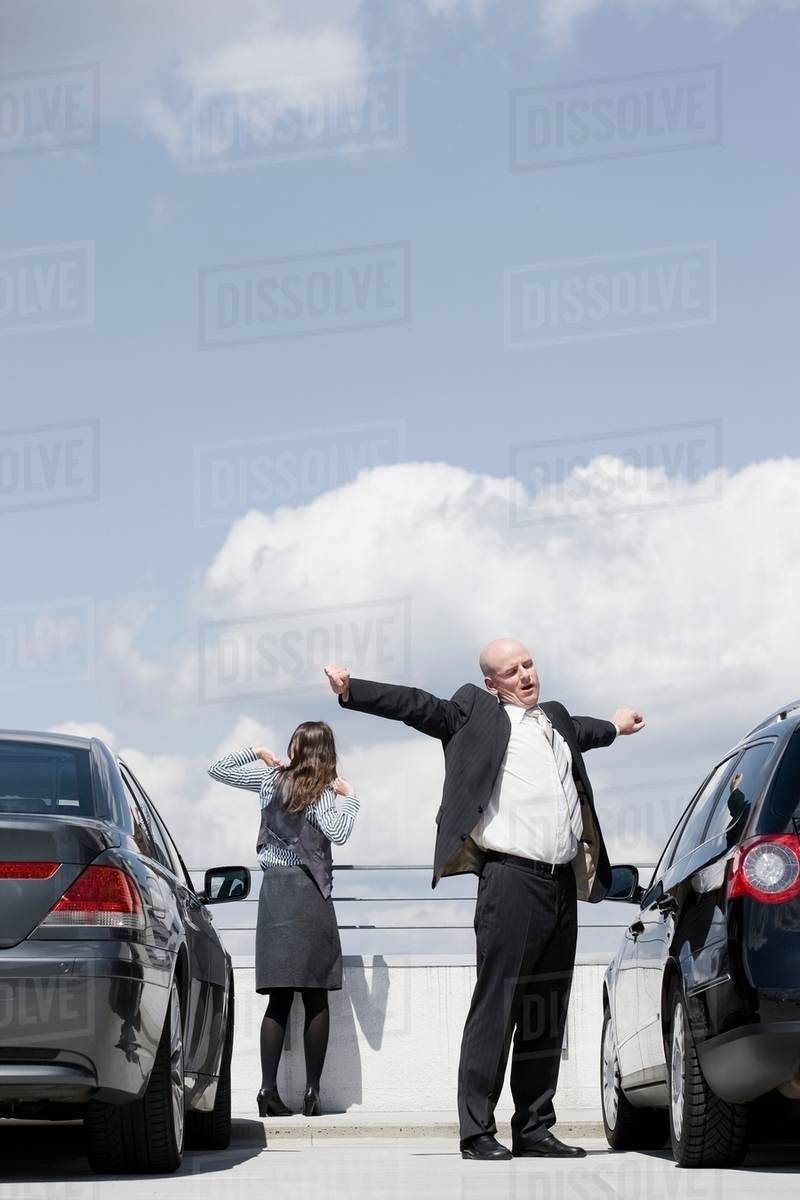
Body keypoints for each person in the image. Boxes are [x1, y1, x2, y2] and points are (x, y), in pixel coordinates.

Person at [324, 639, 643, 1160]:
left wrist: (617, 725)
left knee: (546, 1008)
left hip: (561, 883)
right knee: (497, 1006)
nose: (524, 675)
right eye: (510, 671)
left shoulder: (556, 720)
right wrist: (352, 690)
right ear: (493, 683)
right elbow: (418, 706)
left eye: (528, 664)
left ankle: (534, 1126)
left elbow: (591, 730)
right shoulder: (476, 713)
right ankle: (476, 1131)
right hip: (510, 881)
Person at [208, 721, 360, 1118]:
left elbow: (217, 769)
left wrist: (255, 753)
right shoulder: (324, 793)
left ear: (295, 745)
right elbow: (340, 833)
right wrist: (351, 798)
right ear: (326, 753)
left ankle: (267, 1090)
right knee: (316, 996)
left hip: (274, 894)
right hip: (310, 894)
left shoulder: (269, 780)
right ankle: (312, 1092)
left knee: (278, 998)